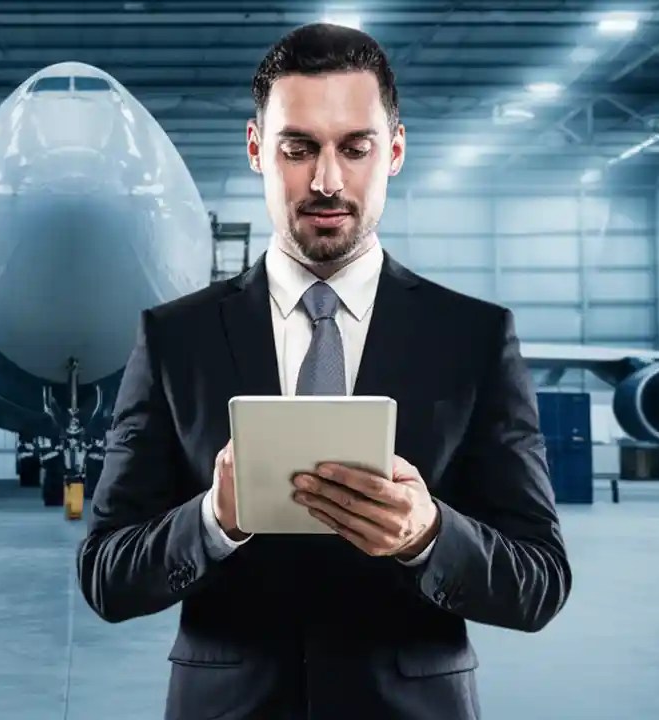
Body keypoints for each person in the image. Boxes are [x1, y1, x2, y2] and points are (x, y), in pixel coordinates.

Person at [76, 22, 571, 720]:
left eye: (355, 148)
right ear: (257, 149)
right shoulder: (174, 339)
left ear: (394, 151)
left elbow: (540, 581)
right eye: (298, 148)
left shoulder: (475, 338)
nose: (326, 181)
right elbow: (105, 575)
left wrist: (428, 535)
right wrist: (212, 520)